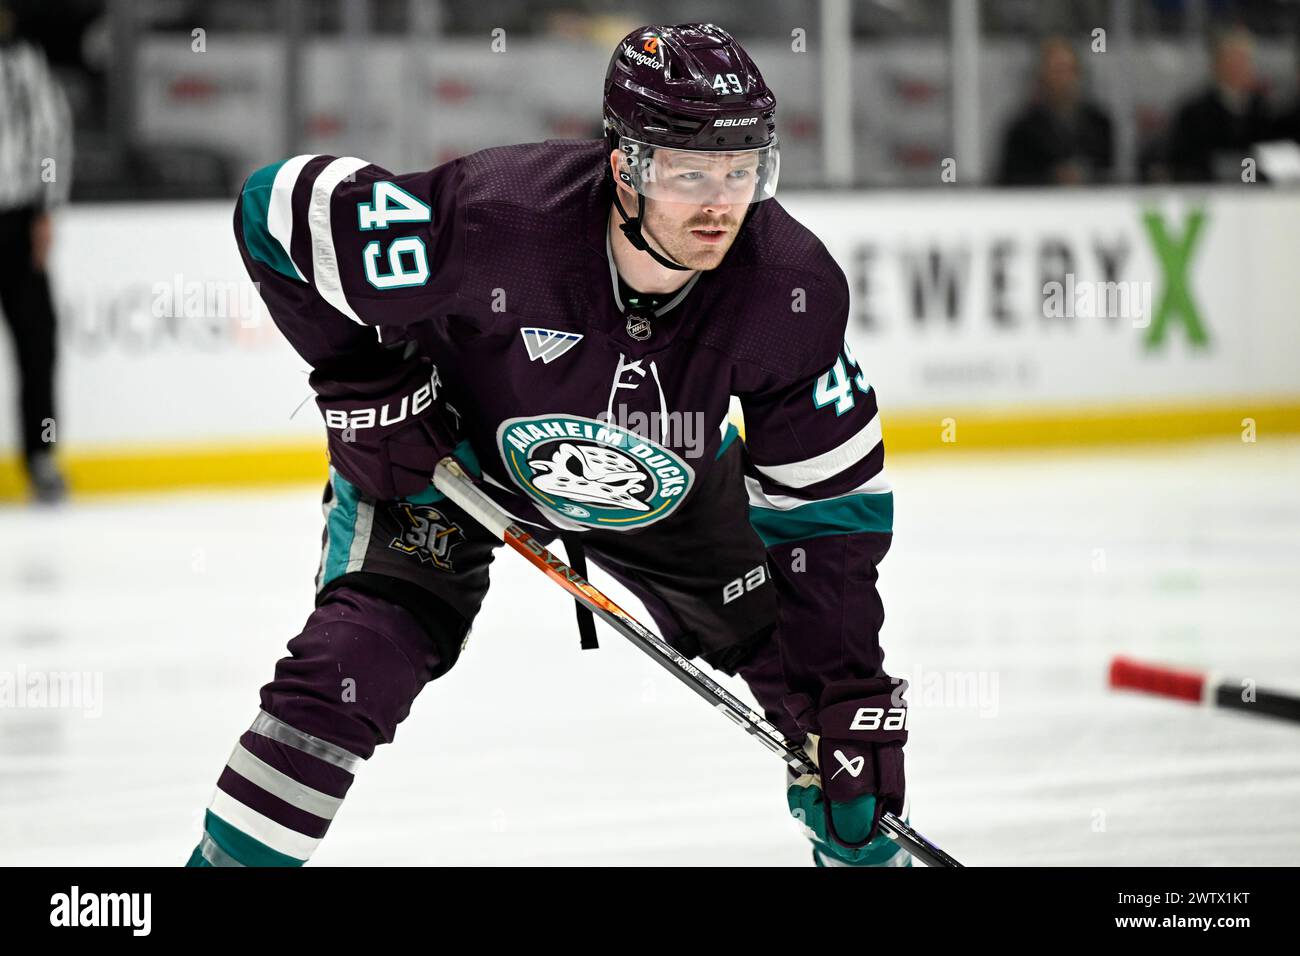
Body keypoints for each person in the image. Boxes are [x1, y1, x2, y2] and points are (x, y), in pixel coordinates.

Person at [186, 23, 905, 868]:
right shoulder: (498, 221)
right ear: (624, 166)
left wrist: (850, 694)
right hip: (453, 463)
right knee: (348, 670)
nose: (721, 204)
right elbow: (276, 207)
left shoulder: (790, 292)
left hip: (669, 488)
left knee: (830, 726)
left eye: (741, 171)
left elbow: (830, 522)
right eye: (689, 172)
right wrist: (363, 385)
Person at [0, 3, 72, 502]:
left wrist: (45, 209)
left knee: (37, 340)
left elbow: (50, 135)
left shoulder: (24, 64)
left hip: (15, 219)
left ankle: (40, 455)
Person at [997, 36, 1113, 186]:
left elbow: (1111, 173)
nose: (1063, 79)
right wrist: (1051, 178)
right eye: (1056, 70)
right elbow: (1009, 181)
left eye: (1068, 70)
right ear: (1042, 75)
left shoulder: (1100, 124)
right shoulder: (1022, 130)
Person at [1166, 28, 1271, 182]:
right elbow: (1182, 162)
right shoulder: (1194, 113)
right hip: (1209, 193)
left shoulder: (1265, 111)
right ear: (1216, 64)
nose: (1238, 68)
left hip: (1259, 195)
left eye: (1243, 61)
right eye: (1232, 60)